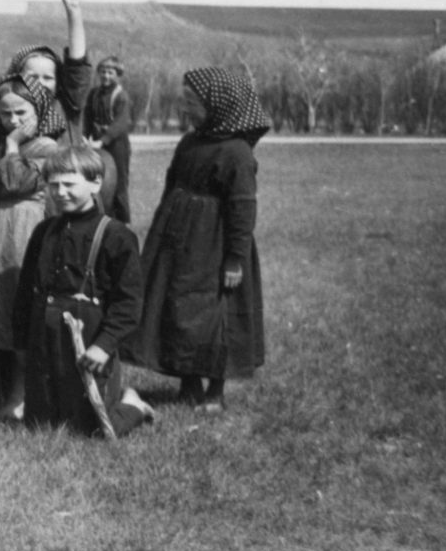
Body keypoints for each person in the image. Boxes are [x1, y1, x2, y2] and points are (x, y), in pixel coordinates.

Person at [126, 68, 269, 412]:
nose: (185, 108)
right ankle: (188, 383)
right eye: (185, 101)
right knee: (177, 306)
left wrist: (235, 258)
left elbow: (242, 208)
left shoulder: (237, 153)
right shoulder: (190, 142)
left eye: (192, 102)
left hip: (215, 244)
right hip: (178, 239)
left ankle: (215, 391)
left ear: (218, 105)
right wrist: (161, 234)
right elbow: (172, 185)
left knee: (216, 313)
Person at [15, 147, 154, 437]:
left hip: (89, 339)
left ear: (95, 184)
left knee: (96, 430)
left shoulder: (117, 236)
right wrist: (23, 344)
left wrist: (104, 345)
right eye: (54, 185)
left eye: (69, 184)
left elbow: (129, 303)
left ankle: (133, 404)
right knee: (40, 426)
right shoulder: (43, 232)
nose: (60, 192)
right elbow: (26, 290)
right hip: (45, 339)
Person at [0, 78, 64, 420]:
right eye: (5, 113)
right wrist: (1, 184)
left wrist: (12, 145)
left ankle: (19, 395)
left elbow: (17, 181)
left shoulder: (47, 148)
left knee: (16, 310)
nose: (13, 120)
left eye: (21, 112)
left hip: (22, 233)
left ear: (39, 111)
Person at [6, 0, 118, 208]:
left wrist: (73, 11)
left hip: (67, 198)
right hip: (27, 201)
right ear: (17, 78)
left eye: (48, 77)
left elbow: (77, 65)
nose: (40, 83)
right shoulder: (8, 110)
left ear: (58, 82)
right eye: (32, 77)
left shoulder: (68, 105)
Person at [85, 56, 136, 223]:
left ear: (117, 74)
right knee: (96, 180)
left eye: (110, 72)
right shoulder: (93, 94)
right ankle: (99, 217)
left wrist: (104, 140)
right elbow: (87, 117)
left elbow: (121, 123)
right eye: (103, 72)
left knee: (118, 183)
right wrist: (85, 137)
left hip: (116, 144)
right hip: (96, 141)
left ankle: (122, 222)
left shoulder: (121, 96)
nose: (106, 76)